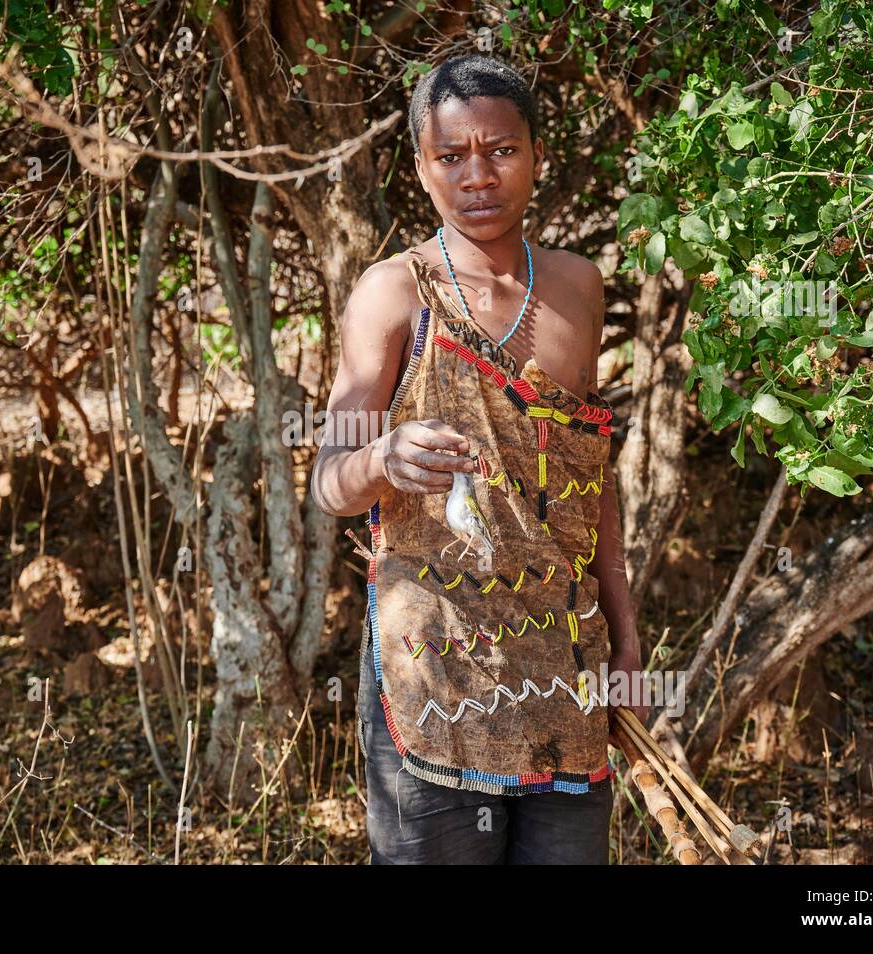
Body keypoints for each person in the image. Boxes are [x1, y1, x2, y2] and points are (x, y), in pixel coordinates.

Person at [310, 54, 648, 864]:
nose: (478, 176)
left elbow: (583, 471)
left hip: (562, 660)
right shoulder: (393, 293)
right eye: (451, 157)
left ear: (536, 155)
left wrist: (624, 630)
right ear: (422, 170)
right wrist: (383, 458)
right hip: (435, 661)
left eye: (500, 151)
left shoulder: (575, 286)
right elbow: (329, 483)